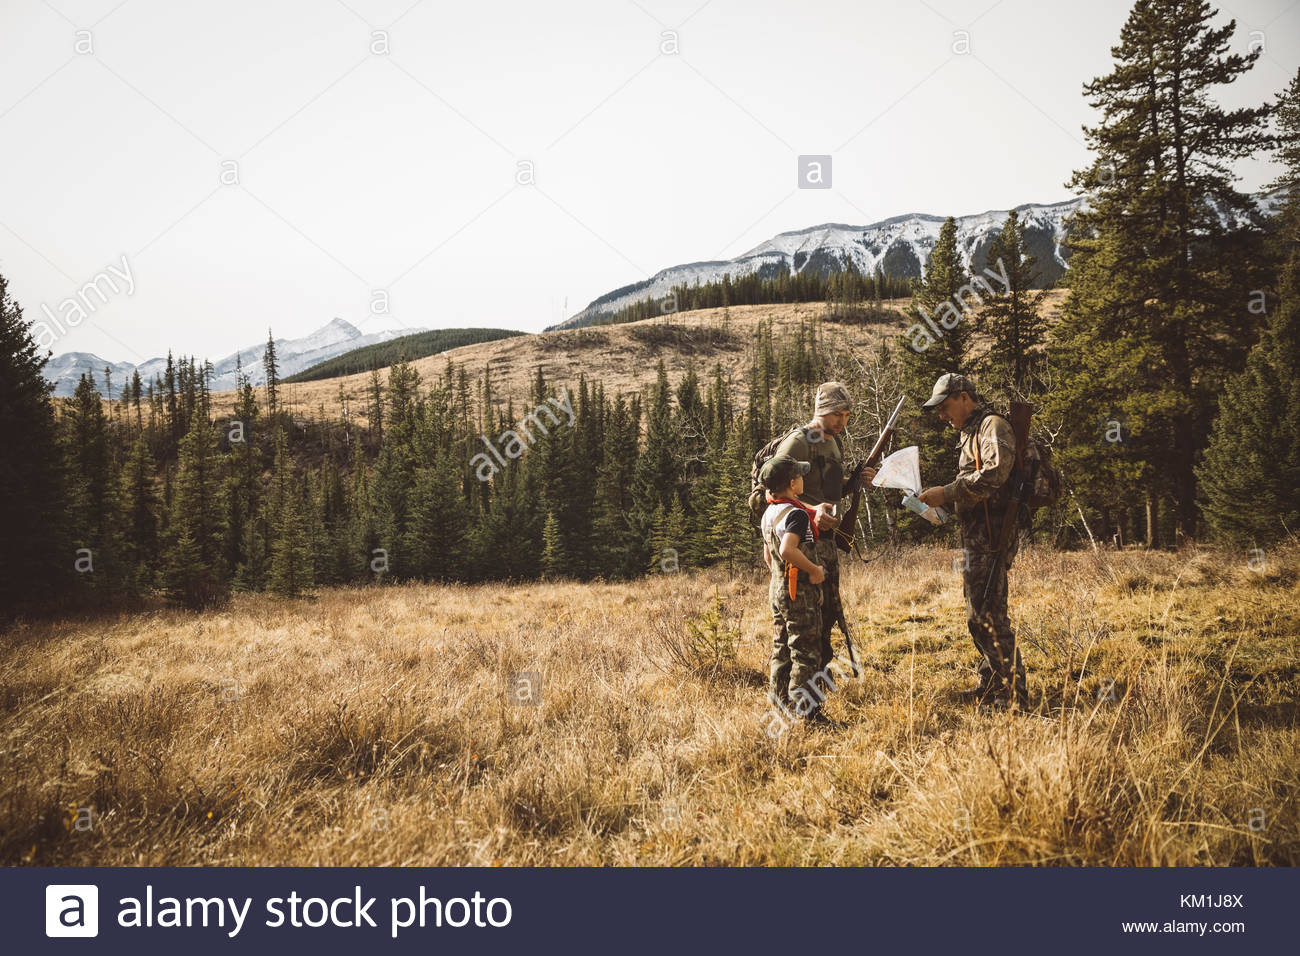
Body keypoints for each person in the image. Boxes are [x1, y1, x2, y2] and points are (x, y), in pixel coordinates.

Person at [916, 372, 1028, 709]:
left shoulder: (991, 426)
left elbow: (996, 473)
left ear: (965, 397)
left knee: (990, 615)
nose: (941, 415)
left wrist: (946, 493)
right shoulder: (970, 432)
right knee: (977, 612)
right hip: (977, 536)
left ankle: (1013, 695)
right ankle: (991, 682)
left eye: (946, 406)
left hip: (994, 536)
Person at [771, 382, 876, 672]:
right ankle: (792, 705)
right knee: (798, 630)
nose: (842, 422)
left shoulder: (833, 443)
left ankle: (808, 699)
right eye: (836, 415)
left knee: (824, 620)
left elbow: (828, 491)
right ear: (821, 411)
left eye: (847, 415)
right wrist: (809, 513)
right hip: (801, 545)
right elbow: (769, 495)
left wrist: (856, 481)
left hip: (826, 544)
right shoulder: (799, 442)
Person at [759, 455, 833, 725]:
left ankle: (779, 701)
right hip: (798, 592)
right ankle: (807, 714)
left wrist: (780, 577)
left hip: (777, 590)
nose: (803, 478)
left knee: (782, 647)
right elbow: (786, 549)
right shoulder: (796, 514)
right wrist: (813, 569)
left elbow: (768, 556)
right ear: (792, 483)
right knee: (806, 650)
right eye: (800, 475)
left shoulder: (771, 512)